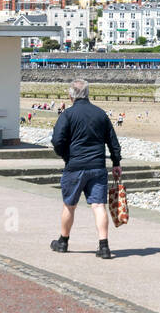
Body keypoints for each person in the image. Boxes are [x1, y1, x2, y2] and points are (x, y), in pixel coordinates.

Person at [50, 79, 121, 259]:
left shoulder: (68, 114)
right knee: (98, 205)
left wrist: (66, 155)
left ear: (71, 95)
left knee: (69, 204)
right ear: (88, 93)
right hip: (97, 165)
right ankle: (103, 246)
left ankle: (63, 241)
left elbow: (57, 140)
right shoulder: (100, 114)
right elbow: (113, 141)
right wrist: (116, 162)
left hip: (75, 165)